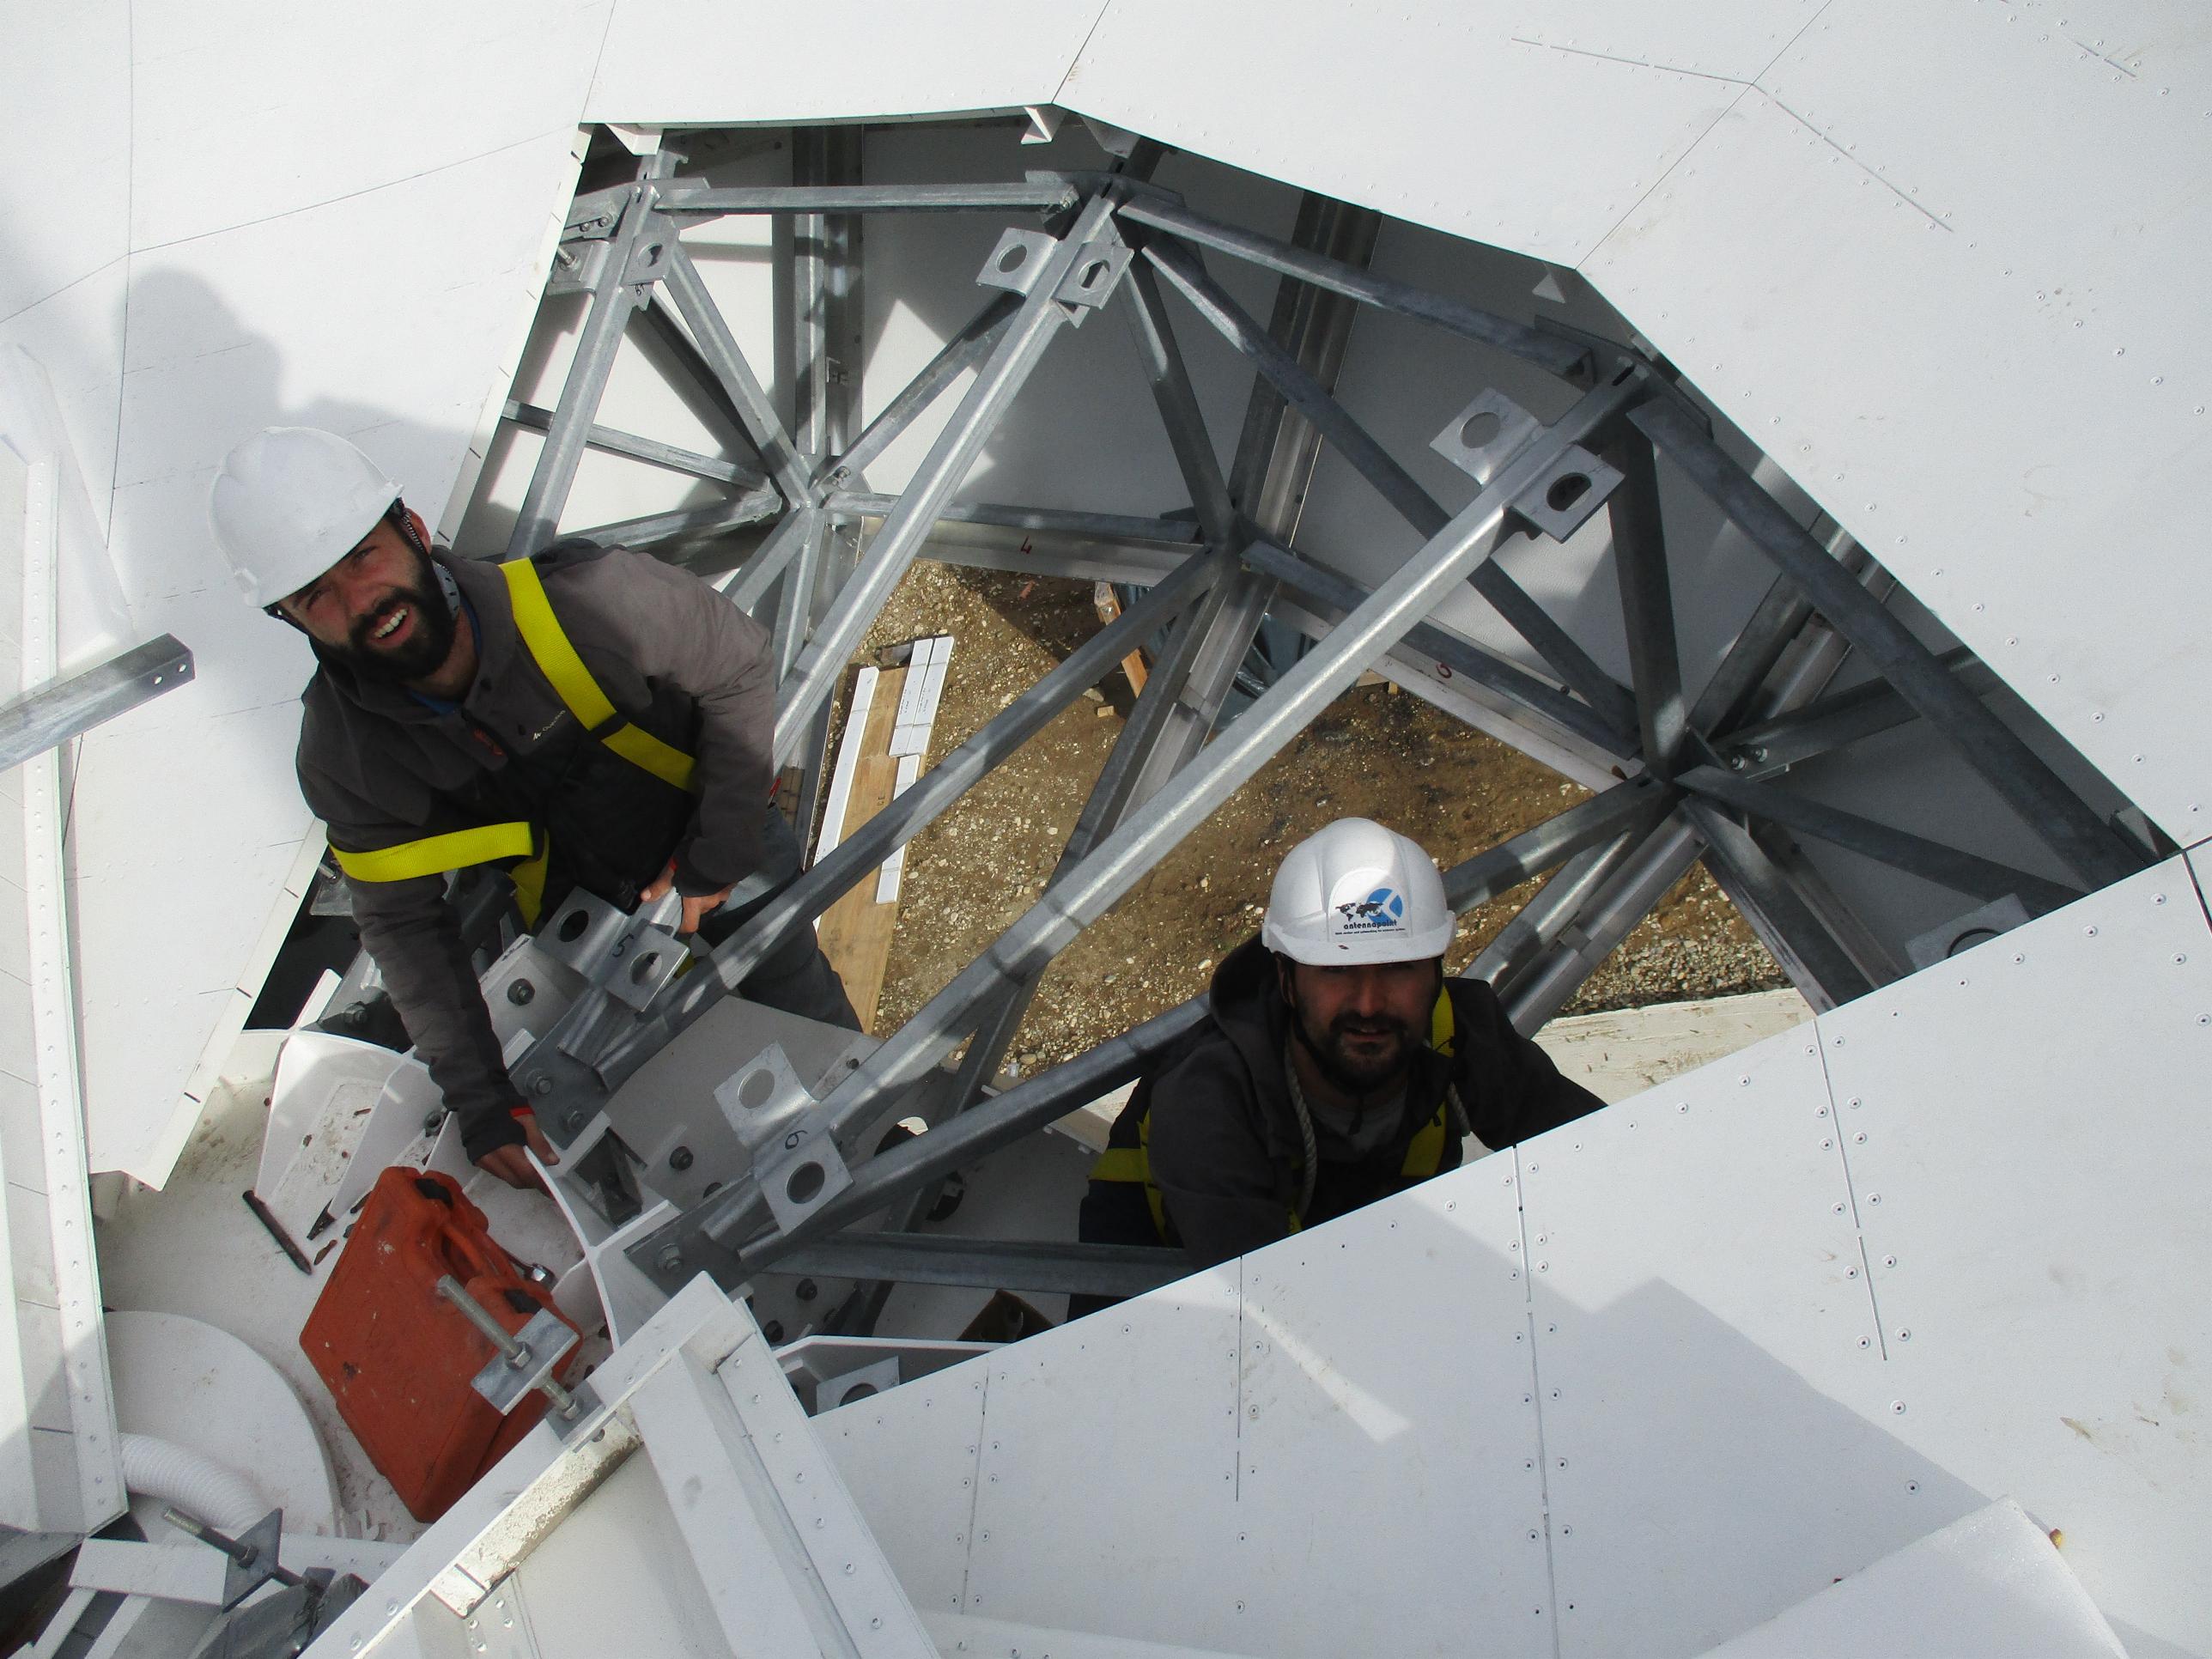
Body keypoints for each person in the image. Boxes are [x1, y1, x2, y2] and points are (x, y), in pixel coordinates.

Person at [209, 427, 856, 1190]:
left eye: (363, 556)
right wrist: (481, 1100)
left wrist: (717, 853)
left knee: (800, 1006)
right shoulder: (345, 758)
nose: (362, 600)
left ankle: (871, 1138)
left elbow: (738, 666)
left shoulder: (589, 602)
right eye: (317, 594)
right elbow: (402, 925)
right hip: (575, 920)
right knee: (659, 1096)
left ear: (411, 528)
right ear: (291, 619)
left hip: (715, 835)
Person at [1081, 817, 1603, 1272]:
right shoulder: (1210, 1098)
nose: (1369, 1004)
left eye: (1399, 968)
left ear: (1435, 973)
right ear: (1286, 981)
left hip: (1354, 1248)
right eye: (1336, 972)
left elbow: (1600, 1158)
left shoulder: (1459, 1034)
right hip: (1162, 1273)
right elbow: (1271, 1306)